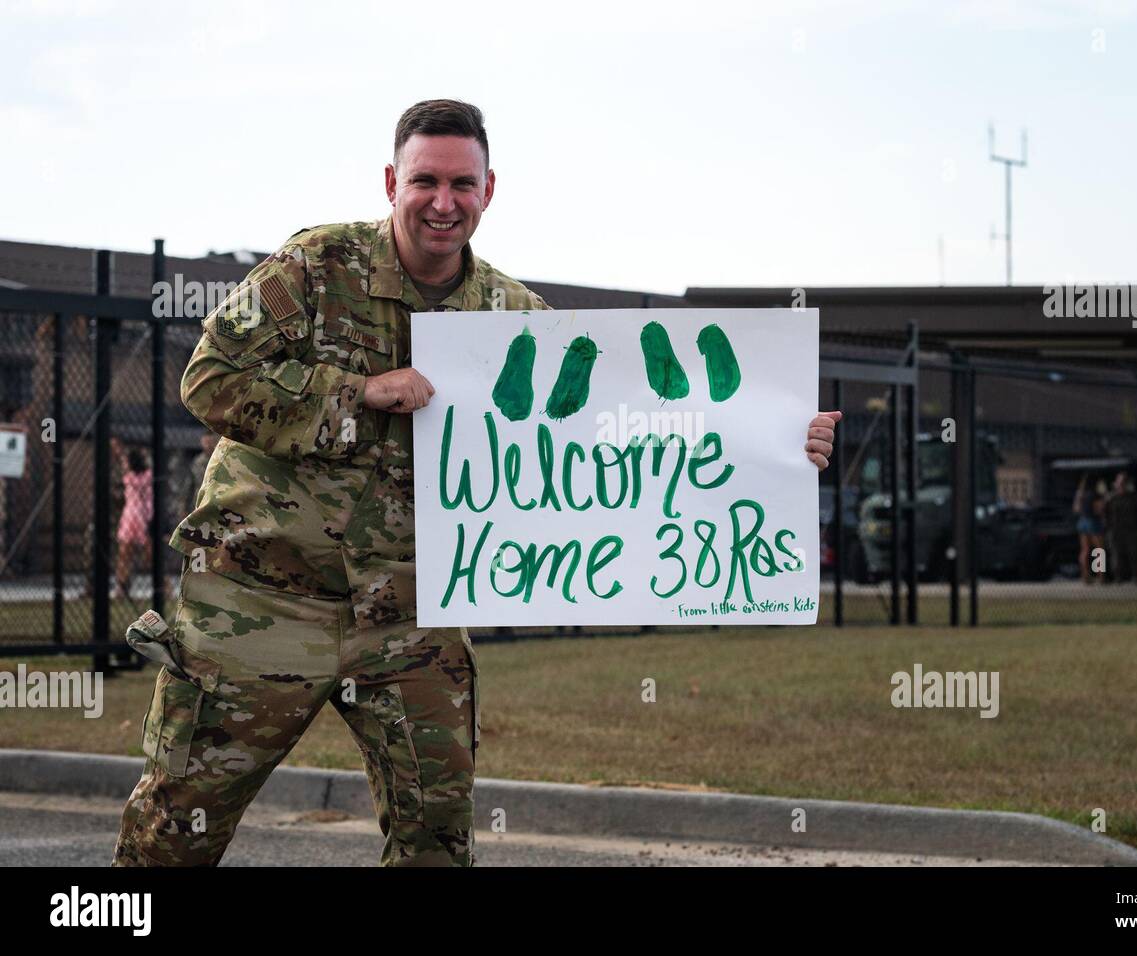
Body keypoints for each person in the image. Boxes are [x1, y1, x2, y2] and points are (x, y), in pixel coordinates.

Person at [111, 99, 842, 868]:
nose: (443, 201)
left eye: (463, 184)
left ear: (489, 191)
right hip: (262, 602)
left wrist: (775, 443)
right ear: (392, 181)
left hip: (411, 614)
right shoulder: (318, 267)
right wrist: (357, 393)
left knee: (437, 833)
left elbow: (619, 432)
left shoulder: (513, 317)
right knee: (175, 827)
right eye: (425, 180)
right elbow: (211, 379)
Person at [111, 438, 152, 600]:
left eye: (126, 461)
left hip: (142, 515)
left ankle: (165, 586)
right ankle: (121, 587)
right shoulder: (128, 477)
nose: (123, 464)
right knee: (124, 554)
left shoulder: (147, 476)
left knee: (149, 555)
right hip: (130, 516)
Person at [1104, 471, 1137, 583]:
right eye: (1120, 482)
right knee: (1116, 554)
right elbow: (1105, 513)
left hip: (1130, 529)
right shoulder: (1111, 498)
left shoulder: (1132, 497)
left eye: (1124, 482)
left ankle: (1136, 576)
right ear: (1116, 483)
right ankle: (1117, 576)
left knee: (1133, 553)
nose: (1122, 484)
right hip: (1115, 529)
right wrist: (1108, 526)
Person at [1073, 473, 1106, 584]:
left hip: (1082, 521)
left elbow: (1076, 509)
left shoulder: (1080, 494)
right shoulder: (1095, 494)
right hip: (1093, 521)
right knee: (1099, 550)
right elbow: (1098, 510)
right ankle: (1101, 576)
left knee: (1085, 550)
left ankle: (1085, 575)